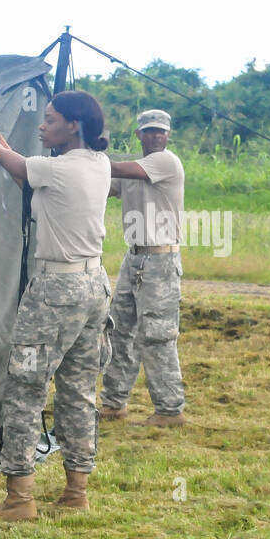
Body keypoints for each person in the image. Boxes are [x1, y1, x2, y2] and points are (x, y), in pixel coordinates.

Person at [0, 90, 113, 520]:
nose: (43, 125)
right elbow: (27, 174)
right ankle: (77, 491)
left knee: (25, 389)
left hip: (56, 289)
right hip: (94, 284)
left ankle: (19, 497)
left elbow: (16, 166)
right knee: (78, 390)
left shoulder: (56, 168)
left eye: (51, 119)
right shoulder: (97, 164)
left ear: (73, 126)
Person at [101, 109, 186, 426]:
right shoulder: (132, 170)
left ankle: (169, 409)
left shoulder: (165, 162)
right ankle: (113, 404)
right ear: (139, 134)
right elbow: (104, 184)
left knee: (157, 336)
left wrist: (86, 154)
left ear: (168, 135)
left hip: (161, 259)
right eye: (149, 131)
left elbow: (115, 168)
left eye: (161, 131)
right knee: (119, 330)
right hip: (133, 255)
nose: (155, 136)